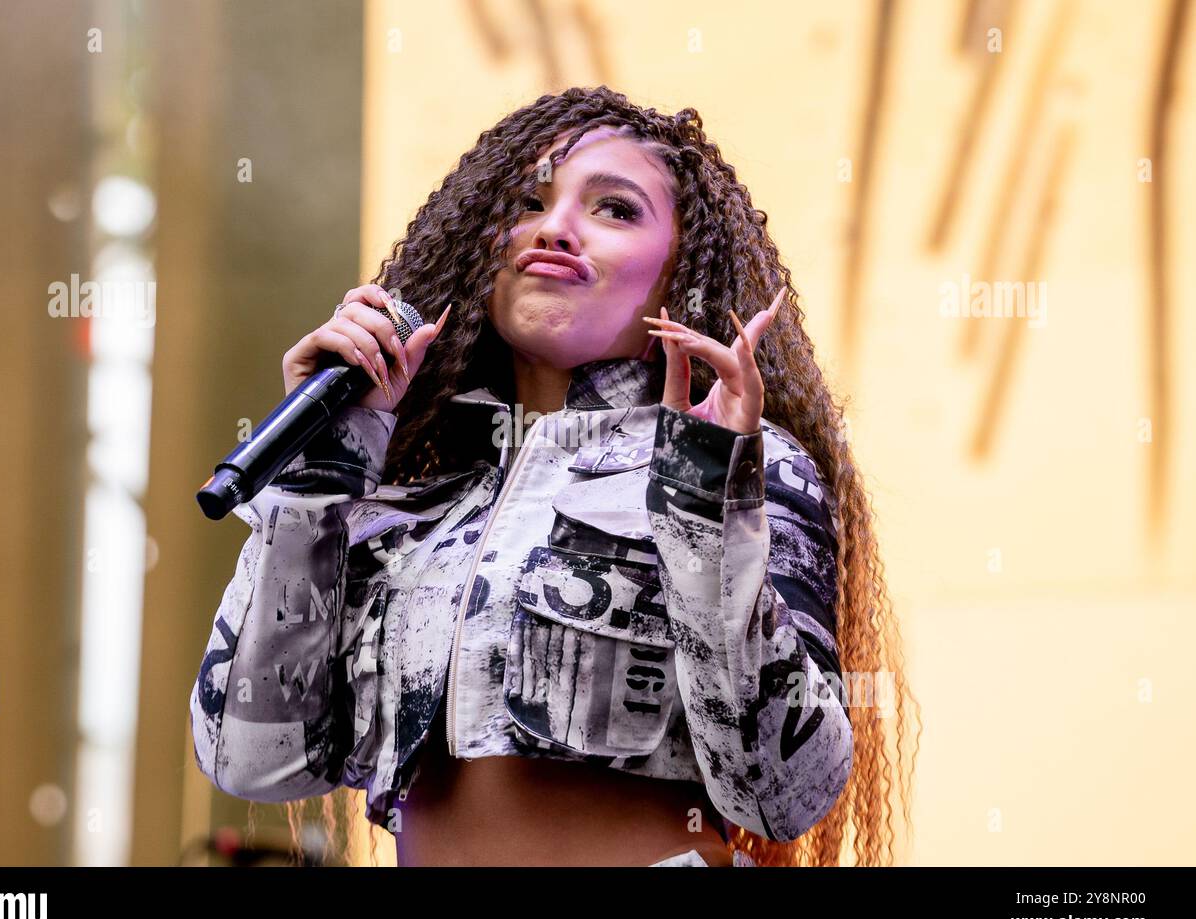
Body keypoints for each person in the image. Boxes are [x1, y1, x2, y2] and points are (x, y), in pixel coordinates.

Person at [190, 85, 920, 867]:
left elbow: (786, 793)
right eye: (529, 201)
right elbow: (252, 760)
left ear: (678, 280)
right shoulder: (406, 493)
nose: (557, 228)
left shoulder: (741, 464)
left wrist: (702, 507)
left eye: (614, 209)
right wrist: (320, 475)